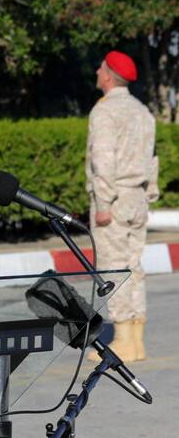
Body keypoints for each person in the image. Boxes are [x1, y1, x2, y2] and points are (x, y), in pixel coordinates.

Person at [86, 50, 158, 363]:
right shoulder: (142, 111)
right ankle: (136, 340)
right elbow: (152, 157)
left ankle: (123, 340)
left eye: (101, 68)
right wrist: (150, 191)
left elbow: (103, 161)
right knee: (134, 266)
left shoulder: (104, 111)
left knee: (113, 268)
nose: (97, 71)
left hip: (114, 198)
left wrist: (103, 202)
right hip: (137, 196)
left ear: (108, 76)